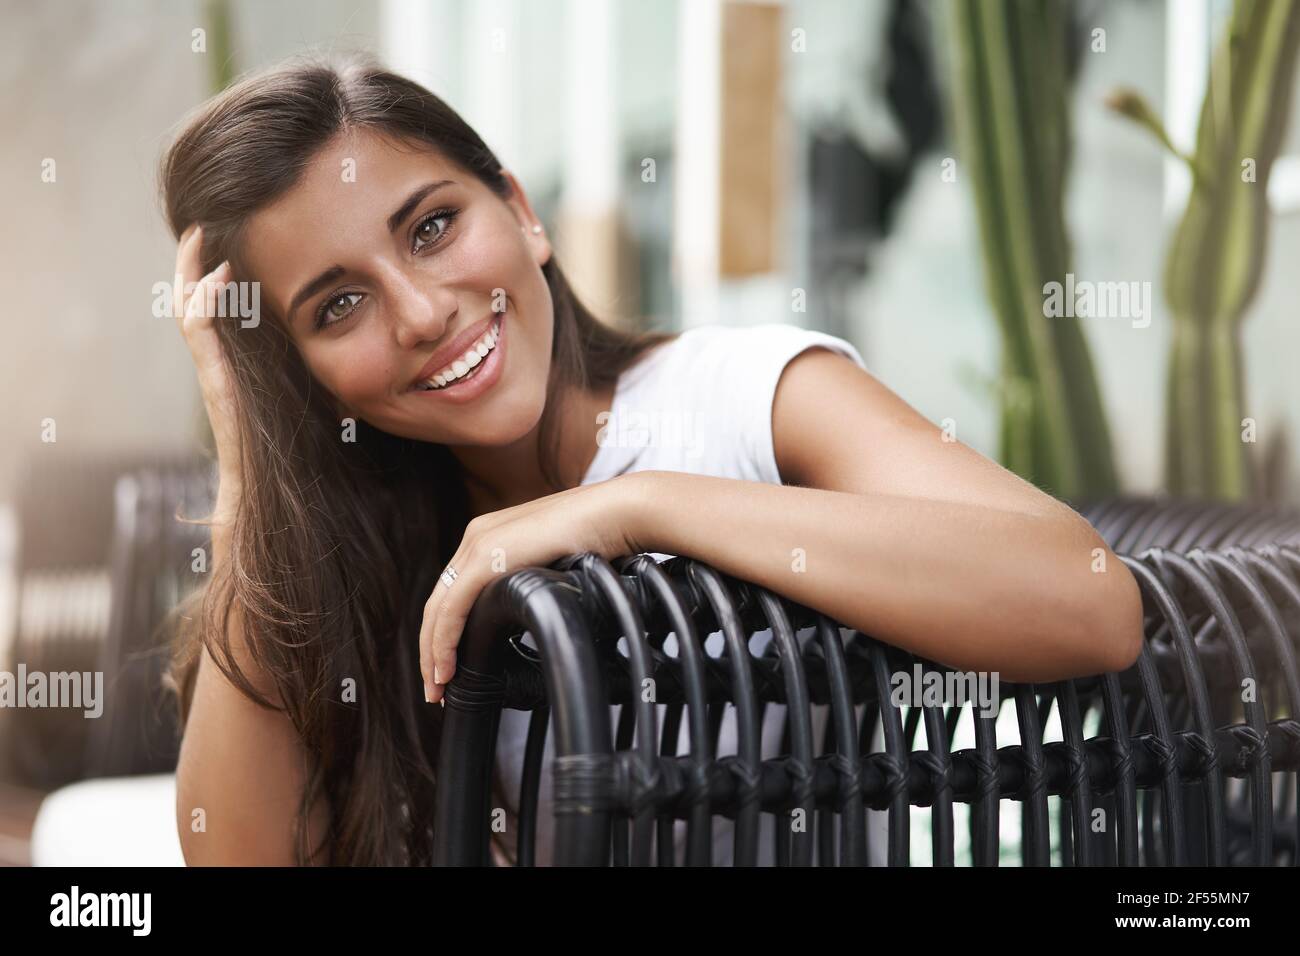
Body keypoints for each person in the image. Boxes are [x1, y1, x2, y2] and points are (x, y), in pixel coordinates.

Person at [161, 52, 1143, 867]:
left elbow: (1090, 601)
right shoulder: (365, 542)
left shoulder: (749, 395)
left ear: (520, 211)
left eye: (432, 227)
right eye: (338, 306)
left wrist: (640, 506)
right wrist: (253, 464)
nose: (421, 314)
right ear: (308, 378)